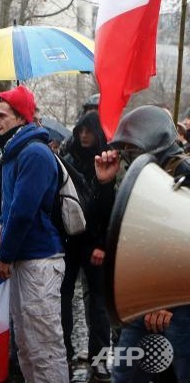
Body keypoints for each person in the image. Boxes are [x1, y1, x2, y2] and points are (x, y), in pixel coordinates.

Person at [95, 105, 190, 383]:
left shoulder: (183, 172)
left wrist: (166, 303)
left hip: (178, 305)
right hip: (142, 299)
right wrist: (104, 183)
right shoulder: (134, 175)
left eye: (131, 146)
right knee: (124, 374)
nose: (125, 154)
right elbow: (111, 231)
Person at [0, 85, 69, 382]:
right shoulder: (14, 151)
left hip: (38, 260)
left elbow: (24, 213)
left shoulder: (34, 152)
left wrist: (5, 256)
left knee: (44, 346)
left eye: (1, 115)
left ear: (21, 117)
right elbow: (12, 206)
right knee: (27, 345)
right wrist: (0, 222)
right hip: (26, 259)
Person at [60, 111, 112, 381]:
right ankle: (65, 353)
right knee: (64, 298)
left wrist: (101, 243)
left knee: (98, 304)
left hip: (95, 243)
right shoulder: (67, 160)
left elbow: (109, 207)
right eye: (81, 130)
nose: (83, 135)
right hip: (71, 241)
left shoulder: (107, 160)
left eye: (89, 131)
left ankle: (100, 358)